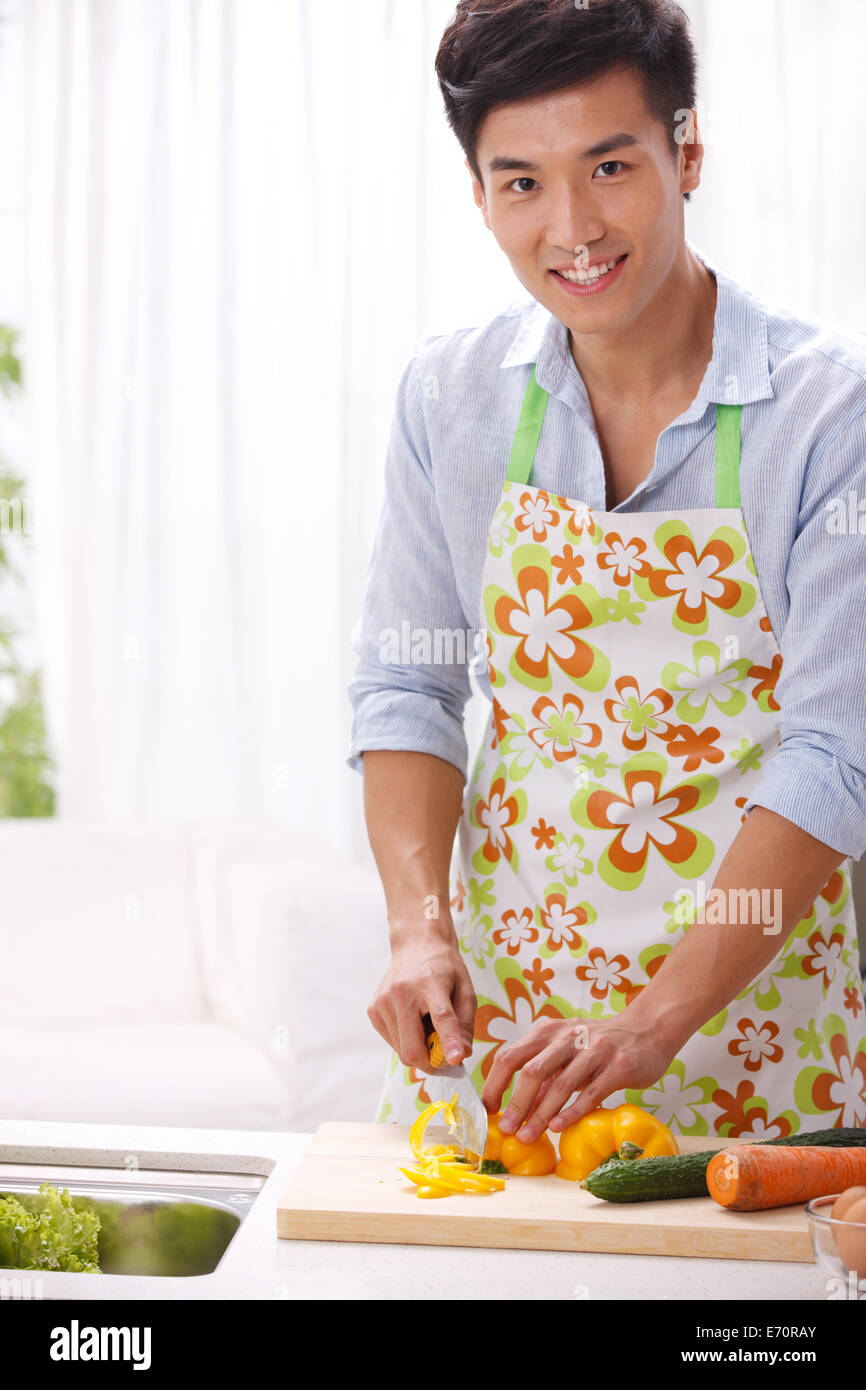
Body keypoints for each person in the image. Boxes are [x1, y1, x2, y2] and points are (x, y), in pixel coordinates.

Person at [347, 0, 866, 1142]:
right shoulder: (450, 400)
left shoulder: (830, 415)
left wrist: (649, 1024)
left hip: (752, 1031)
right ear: (478, 197)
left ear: (685, 153)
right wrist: (420, 929)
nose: (572, 225)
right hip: (505, 1033)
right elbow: (407, 689)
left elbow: (836, 754)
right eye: (521, 181)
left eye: (609, 165)